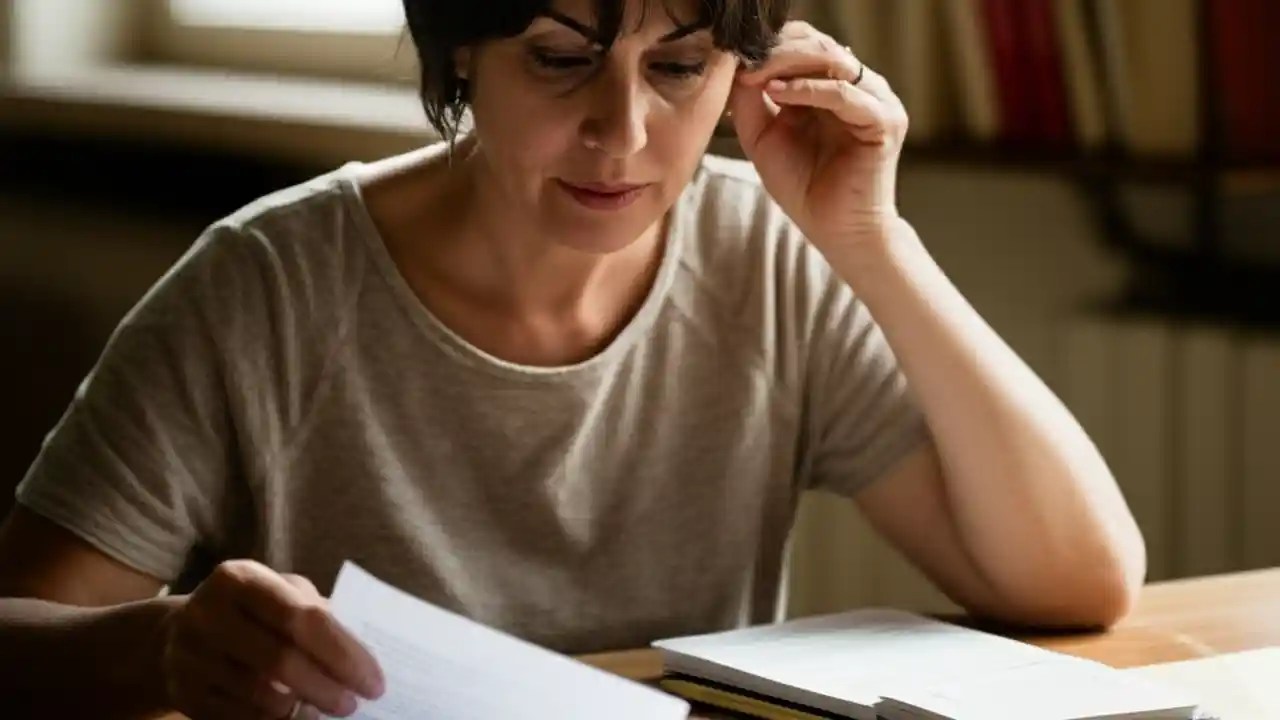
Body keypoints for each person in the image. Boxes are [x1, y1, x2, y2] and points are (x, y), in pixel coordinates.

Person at [0, 0, 1148, 718]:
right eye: (558, 59)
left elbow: (1077, 581)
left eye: (679, 68)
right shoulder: (266, 283)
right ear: (461, 55)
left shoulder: (767, 257)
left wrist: (870, 243)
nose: (624, 134)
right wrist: (162, 647)